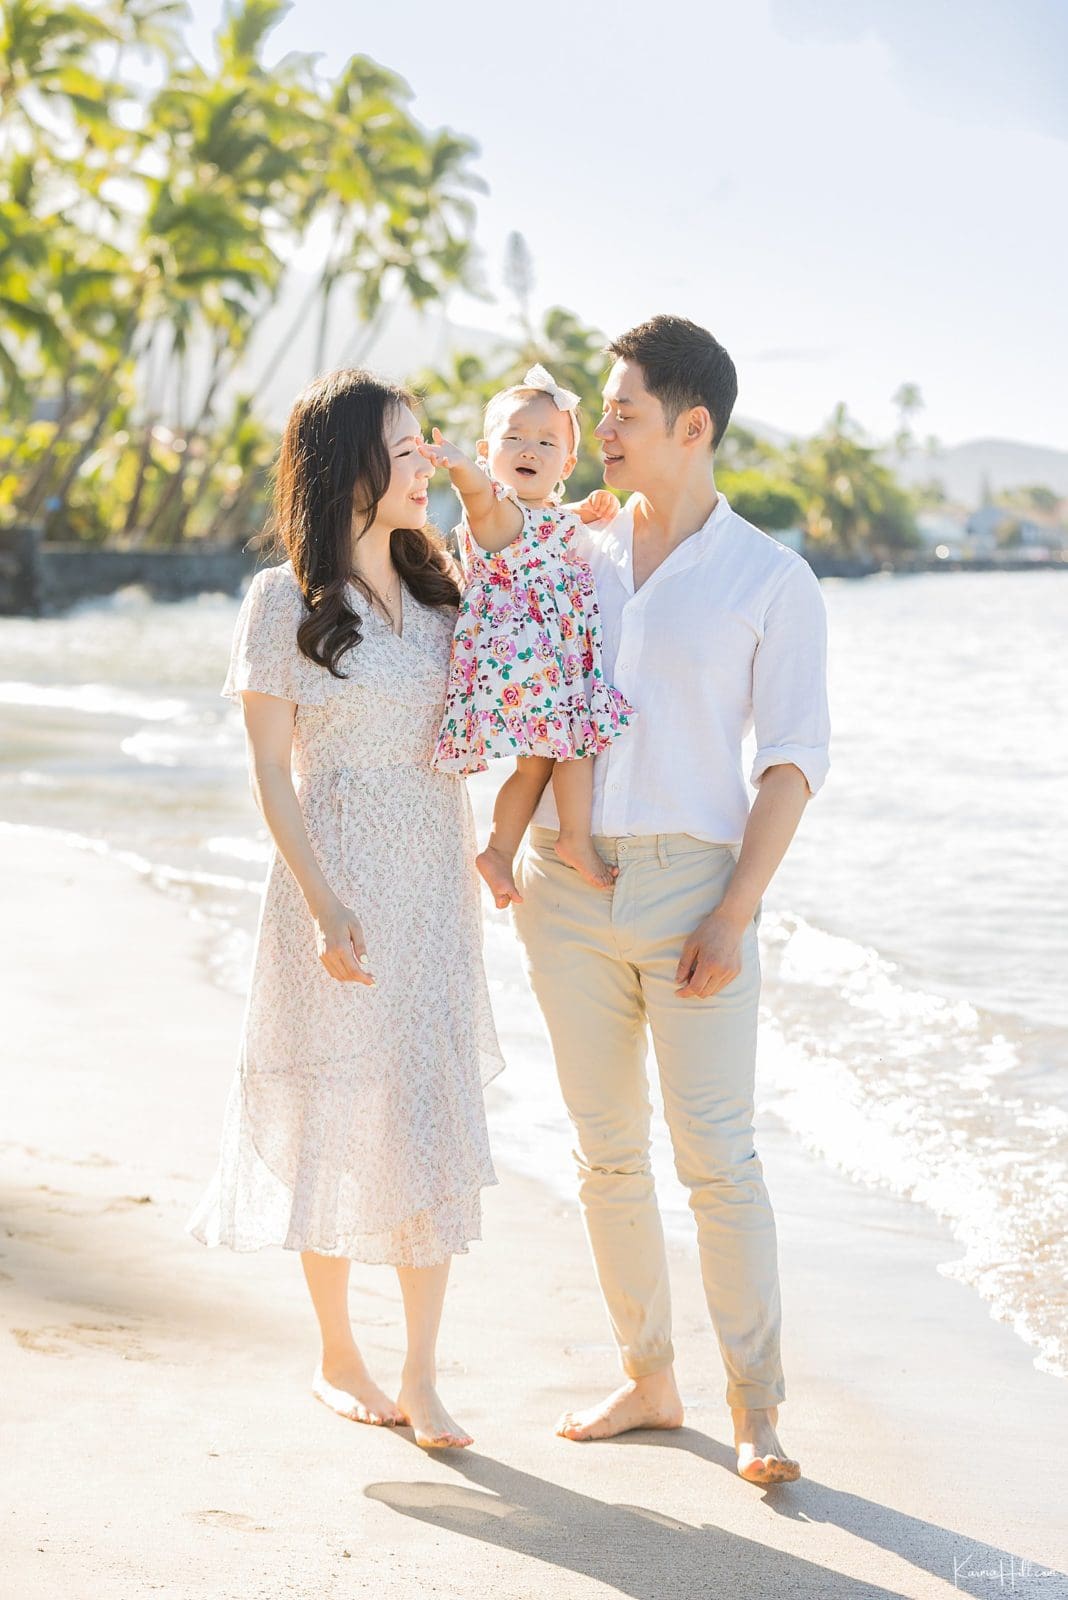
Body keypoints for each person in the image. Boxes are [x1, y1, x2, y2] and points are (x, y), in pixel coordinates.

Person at [511, 315, 831, 1485]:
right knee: (606, 1155)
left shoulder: (771, 578)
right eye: (602, 412)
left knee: (719, 1160)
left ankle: (758, 1405)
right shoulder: (573, 552)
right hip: (568, 884)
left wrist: (736, 910)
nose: (602, 430)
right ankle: (649, 1375)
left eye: (625, 414)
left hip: (700, 886)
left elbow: (791, 758)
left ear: (694, 429)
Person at [185, 368, 504, 1451]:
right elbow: (274, 774)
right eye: (405, 447)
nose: (424, 461)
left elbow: (524, 682)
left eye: (426, 444)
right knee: (340, 1110)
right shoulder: (281, 601)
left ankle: (422, 1373)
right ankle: (337, 1352)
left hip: (436, 882)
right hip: (337, 881)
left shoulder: (446, 586)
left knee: (425, 1111)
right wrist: (324, 904)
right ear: (352, 467)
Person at [421, 364, 634, 905]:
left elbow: (549, 521)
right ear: (488, 451)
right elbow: (481, 499)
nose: (529, 449)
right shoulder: (495, 513)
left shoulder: (545, 515)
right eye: (513, 438)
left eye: (546, 442)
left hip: (545, 663)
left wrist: (584, 510)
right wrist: (462, 469)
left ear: (566, 462)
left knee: (538, 764)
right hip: (526, 663)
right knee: (578, 744)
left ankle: (498, 850)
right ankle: (574, 838)